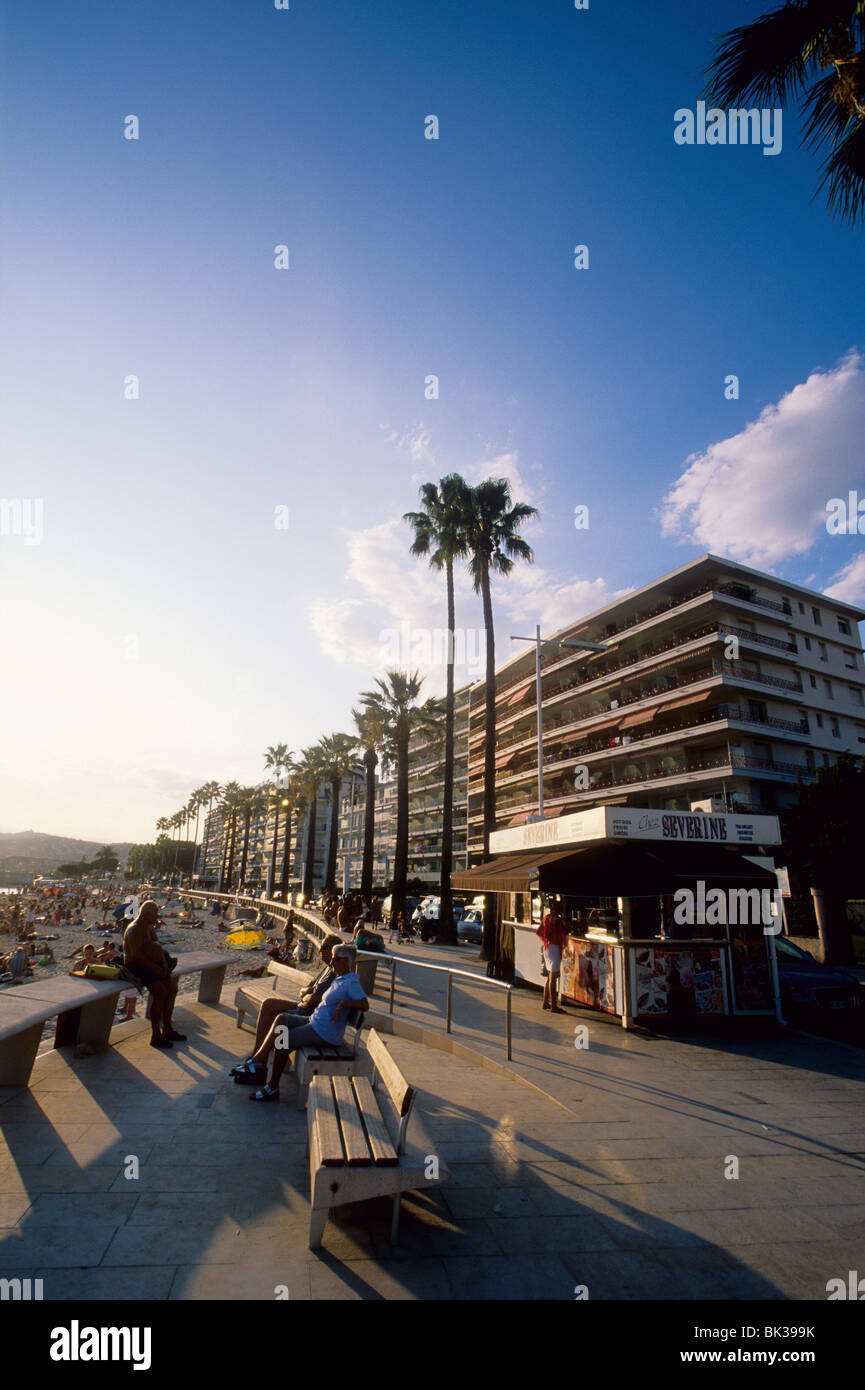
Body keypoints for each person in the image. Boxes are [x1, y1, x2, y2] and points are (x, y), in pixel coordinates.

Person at [242, 944, 369, 1101]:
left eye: (335, 959)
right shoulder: (340, 978)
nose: (332, 962)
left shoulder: (351, 982)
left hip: (324, 1032)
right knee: (281, 1019)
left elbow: (364, 1004)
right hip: (315, 1022)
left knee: (283, 1041)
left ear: (346, 961)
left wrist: (343, 1004)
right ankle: (259, 1059)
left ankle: (272, 1087)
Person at [229, 933, 343, 1080]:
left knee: (280, 1020)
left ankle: (258, 1063)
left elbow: (313, 999)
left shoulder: (334, 973)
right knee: (269, 1004)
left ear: (334, 950)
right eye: (321, 946)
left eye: (324, 947)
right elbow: (306, 989)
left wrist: (308, 994)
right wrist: (307, 994)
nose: (320, 950)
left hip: (309, 1013)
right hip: (304, 1005)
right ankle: (257, 1056)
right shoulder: (327, 968)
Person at [123, 900, 185, 1049]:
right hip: (137, 966)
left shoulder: (149, 927)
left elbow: (157, 948)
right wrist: (156, 968)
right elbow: (136, 955)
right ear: (146, 914)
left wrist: (163, 965)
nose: (157, 917)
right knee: (160, 992)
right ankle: (156, 1035)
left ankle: (168, 1029)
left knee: (171, 989)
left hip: (152, 964)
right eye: (154, 914)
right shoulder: (134, 930)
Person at [537, 900, 568, 1013]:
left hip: (547, 948)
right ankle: (554, 1005)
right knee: (553, 977)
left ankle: (545, 1002)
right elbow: (564, 932)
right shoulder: (558, 921)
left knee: (550, 977)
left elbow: (539, 931)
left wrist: (546, 939)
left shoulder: (546, 918)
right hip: (555, 949)